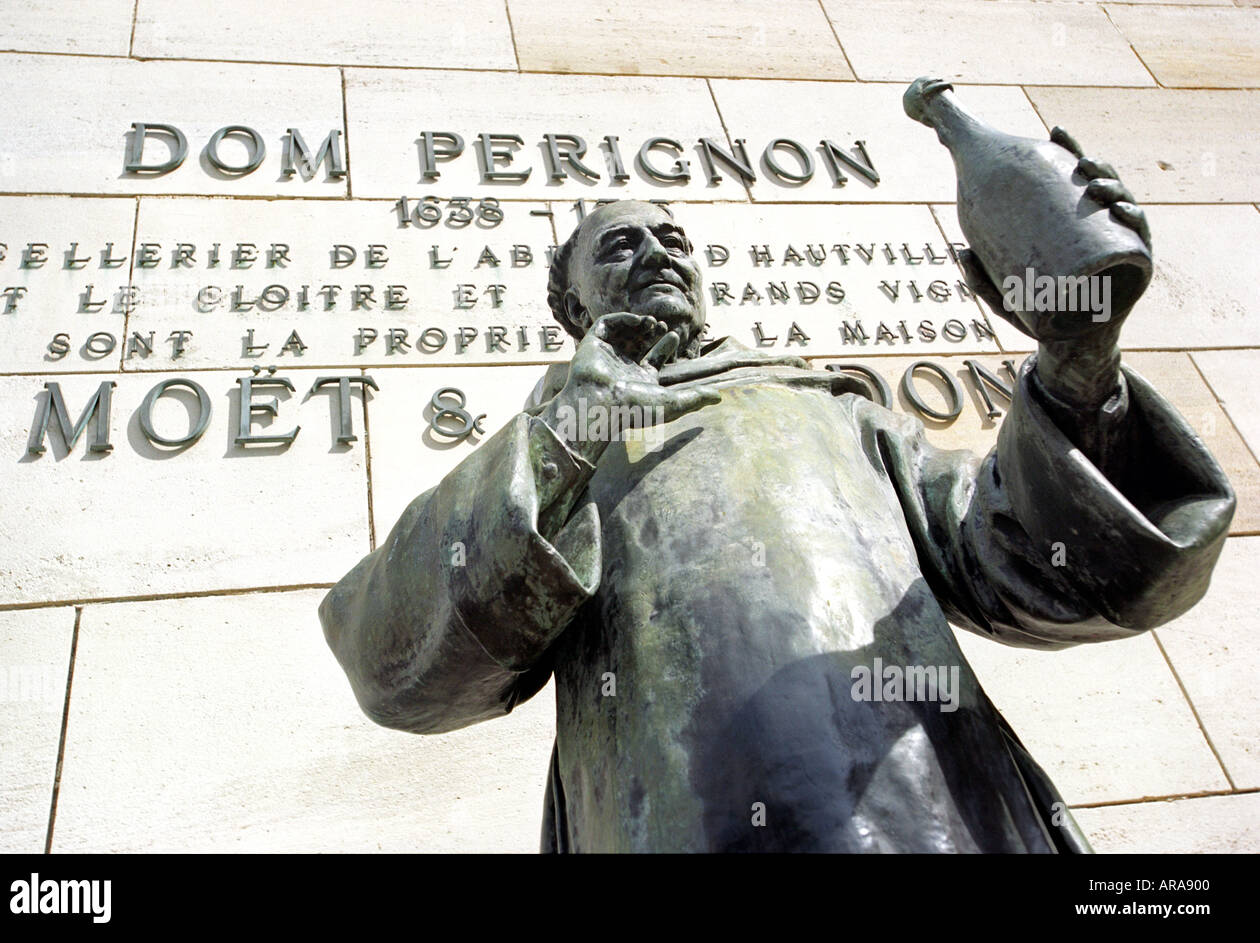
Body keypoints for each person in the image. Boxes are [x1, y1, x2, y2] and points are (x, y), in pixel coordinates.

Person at [319, 185, 1234, 852]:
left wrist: (1080, 370)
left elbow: (1028, 559)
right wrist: (571, 427)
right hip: (681, 819)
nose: (658, 253)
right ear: (571, 307)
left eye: (672, 236)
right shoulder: (550, 451)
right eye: (621, 245)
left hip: (927, 811)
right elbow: (395, 666)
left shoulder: (832, 410)